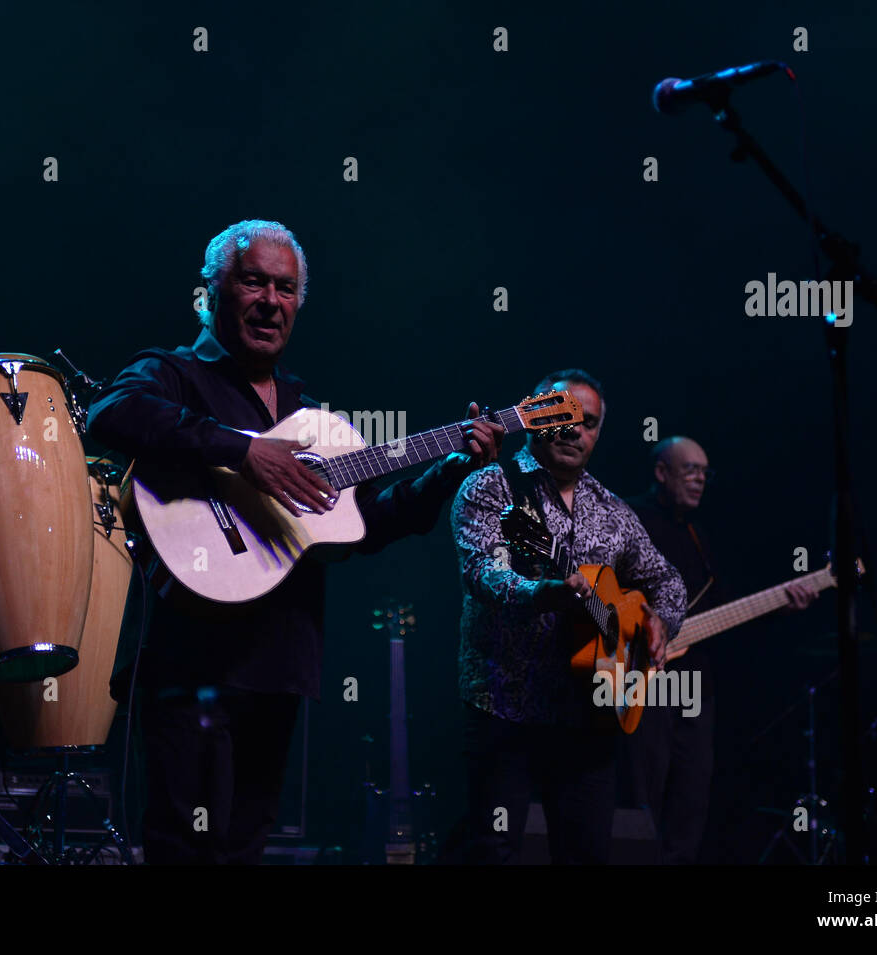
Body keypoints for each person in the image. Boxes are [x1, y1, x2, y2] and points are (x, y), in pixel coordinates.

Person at [86, 220, 502, 864]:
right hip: (189, 660)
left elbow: (370, 524)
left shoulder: (314, 415)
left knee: (243, 848)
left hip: (277, 665)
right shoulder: (172, 372)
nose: (270, 301)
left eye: (285, 289)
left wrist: (452, 467)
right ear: (213, 292)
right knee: (183, 846)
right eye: (252, 282)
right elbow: (111, 413)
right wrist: (244, 452)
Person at [450, 368, 685, 864]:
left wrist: (661, 621)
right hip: (504, 709)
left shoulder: (613, 510)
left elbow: (667, 581)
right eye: (565, 416)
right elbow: (485, 575)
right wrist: (549, 592)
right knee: (491, 853)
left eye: (590, 422)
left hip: (589, 718)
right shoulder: (492, 487)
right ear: (535, 417)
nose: (576, 430)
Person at [625, 435, 816, 864]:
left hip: (696, 686)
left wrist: (783, 604)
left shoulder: (698, 536)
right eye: (689, 470)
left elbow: (721, 609)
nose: (699, 480)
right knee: (643, 799)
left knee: (690, 803)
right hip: (645, 682)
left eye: (704, 472)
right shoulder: (630, 517)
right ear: (661, 472)